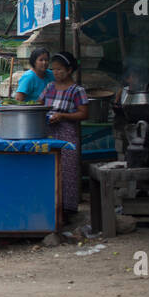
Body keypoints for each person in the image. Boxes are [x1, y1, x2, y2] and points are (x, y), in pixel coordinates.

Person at [38, 51, 88, 214]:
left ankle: (67, 210)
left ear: (69, 70)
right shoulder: (49, 87)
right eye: (54, 70)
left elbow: (83, 113)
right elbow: (39, 104)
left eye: (60, 69)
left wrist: (63, 116)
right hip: (48, 133)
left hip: (67, 134)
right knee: (48, 169)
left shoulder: (77, 90)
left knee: (67, 172)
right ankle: (49, 207)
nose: (56, 73)